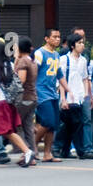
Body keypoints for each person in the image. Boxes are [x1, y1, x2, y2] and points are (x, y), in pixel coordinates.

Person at [59, 32, 93, 158]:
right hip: (68, 96)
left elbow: (85, 78)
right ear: (72, 45)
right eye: (79, 43)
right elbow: (61, 79)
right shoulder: (64, 60)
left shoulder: (83, 60)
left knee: (74, 124)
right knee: (72, 124)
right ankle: (78, 150)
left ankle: (66, 150)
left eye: (83, 42)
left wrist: (86, 94)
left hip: (79, 96)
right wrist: (63, 98)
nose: (82, 45)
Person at [33, 29, 65, 162]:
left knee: (53, 125)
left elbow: (60, 75)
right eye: (54, 37)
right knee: (47, 121)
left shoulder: (57, 54)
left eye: (59, 37)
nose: (57, 39)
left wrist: (68, 90)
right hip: (41, 93)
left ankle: (47, 153)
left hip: (53, 93)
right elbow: (34, 71)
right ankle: (30, 146)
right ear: (46, 38)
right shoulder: (40, 53)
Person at [13, 36, 38, 159]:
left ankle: (26, 153)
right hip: (32, 97)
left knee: (17, 125)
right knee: (28, 126)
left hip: (24, 98)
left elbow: (20, 80)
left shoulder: (23, 62)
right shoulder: (31, 61)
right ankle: (33, 153)